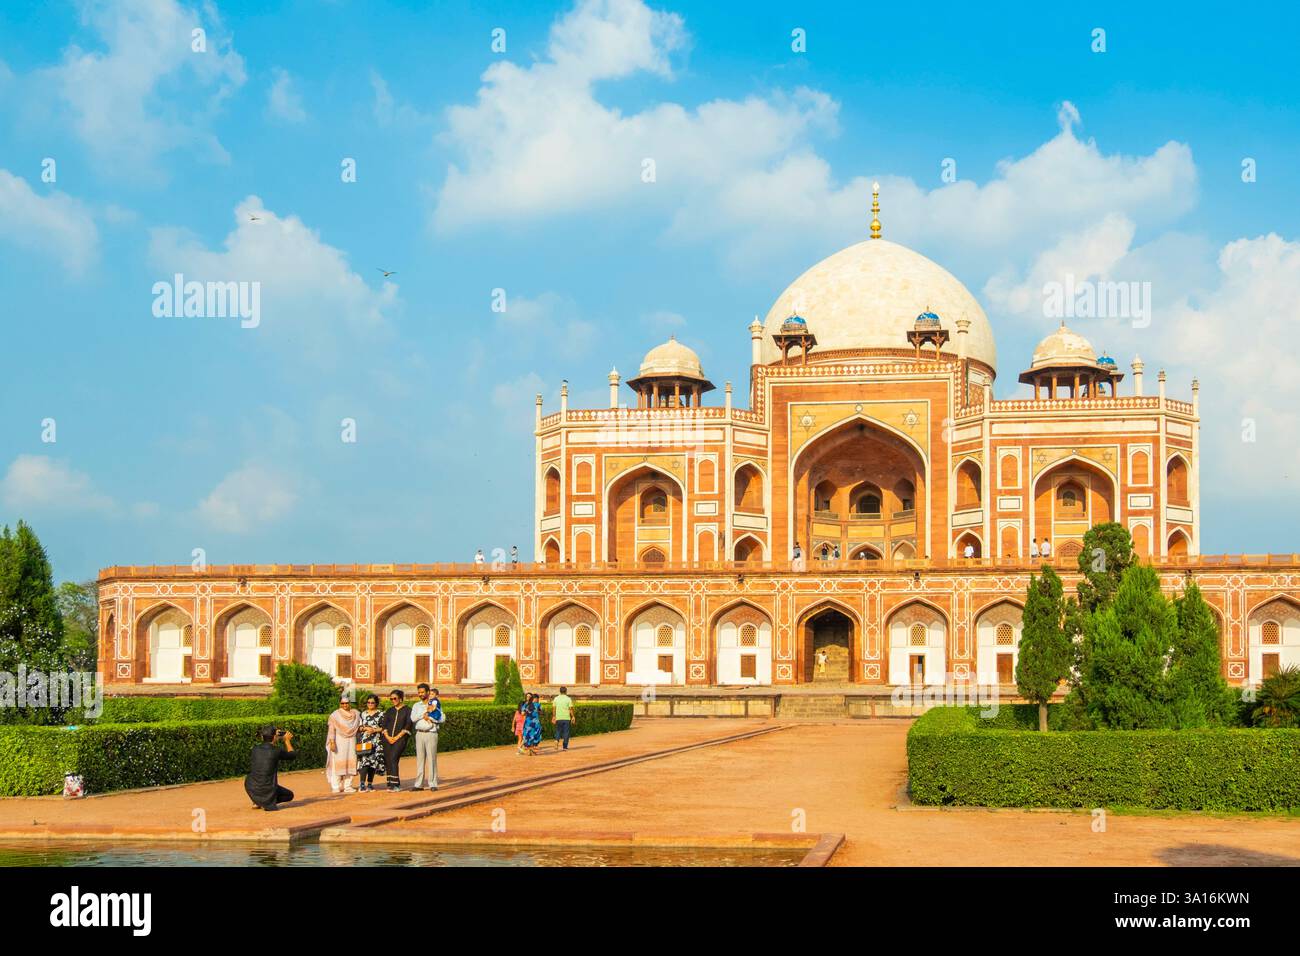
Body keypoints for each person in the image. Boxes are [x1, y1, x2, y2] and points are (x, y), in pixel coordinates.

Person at [244, 725, 296, 811]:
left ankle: (257, 801)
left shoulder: (254, 749)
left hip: (250, 786)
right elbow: (292, 755)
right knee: (289, 795)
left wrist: (274, 735)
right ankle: (265, 802)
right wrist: (287, 741)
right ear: (275, 737)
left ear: (262, 737)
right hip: (267, 788)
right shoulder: (276, 750)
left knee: (257, 779)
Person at [409, 683, 446, 791]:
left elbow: (442, 718)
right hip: (419, 733)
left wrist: (431, 718)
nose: (420, 694)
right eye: (419, 692)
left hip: (431, 733)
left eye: (422, 692)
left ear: (428, 692)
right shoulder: (416, 705)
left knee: (431, 759)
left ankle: (433, 783)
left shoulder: (435, 703)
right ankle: (419, 784)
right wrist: (425, 713)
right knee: (420, 760)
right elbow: (413, 718)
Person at [380, 689, 414, 791]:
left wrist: (397, 737)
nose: (393, 700)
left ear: (400, 698)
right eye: (391, 699)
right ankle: (390, 783)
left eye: (395, 698)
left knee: (394, 758)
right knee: (388, 759)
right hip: (387, 739)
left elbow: (408, 725)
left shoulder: (408, 710)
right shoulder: (390, 710)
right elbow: (384, 725)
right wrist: (388, 737)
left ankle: (396, 784)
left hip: (400, 738)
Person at [325, 695, 359, 794]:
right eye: (342, 703)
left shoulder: (356, 714)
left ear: (350, 703)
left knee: (351, 762)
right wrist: (332, 742)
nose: (345, 705)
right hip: (338, 741)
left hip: (351, 741)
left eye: (346, 703)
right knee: (337, 763)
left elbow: (360, 727)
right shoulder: (335, 715)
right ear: (340, 704)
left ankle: (348, 786)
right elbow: (331, 729)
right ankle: (336, 786)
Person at [356, 694, 386, 792]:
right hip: (365, 740)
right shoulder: (363, 714)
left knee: (373, 763)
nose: (370, 704)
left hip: (376, 741)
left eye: (372, 702)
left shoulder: (381, 714)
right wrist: (365, 728)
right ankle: (362, 784)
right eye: (368, 702)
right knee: (364, 762)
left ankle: (370, 784)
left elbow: (384, 728)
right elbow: (359, 727)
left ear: (376, 703)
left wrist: (375, 730)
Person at [552, 686, 576, 752]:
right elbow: (570, 709)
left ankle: (556, 740)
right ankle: (565, 747)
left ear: (560, 691)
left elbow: (554, 708)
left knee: (558, 731)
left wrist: (554, 716)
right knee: (566, 732)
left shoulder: (556, 698)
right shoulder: (568, 699)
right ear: (566, 691)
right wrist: (573, 716)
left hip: (558, 717)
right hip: (566, 718)